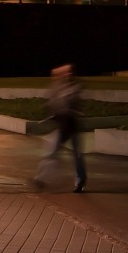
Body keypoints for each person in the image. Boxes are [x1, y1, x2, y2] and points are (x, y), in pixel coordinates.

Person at [35, 63, 87, 192]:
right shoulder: (59, 87)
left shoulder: (74, 87)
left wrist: (59, 111)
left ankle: (80, 181)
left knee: (76, 155)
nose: (66, 75)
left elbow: (69, 103)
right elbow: (53, 103)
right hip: (63, 125)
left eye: (68, 73)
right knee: (53, 152)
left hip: (71, 125)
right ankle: (41, 179)